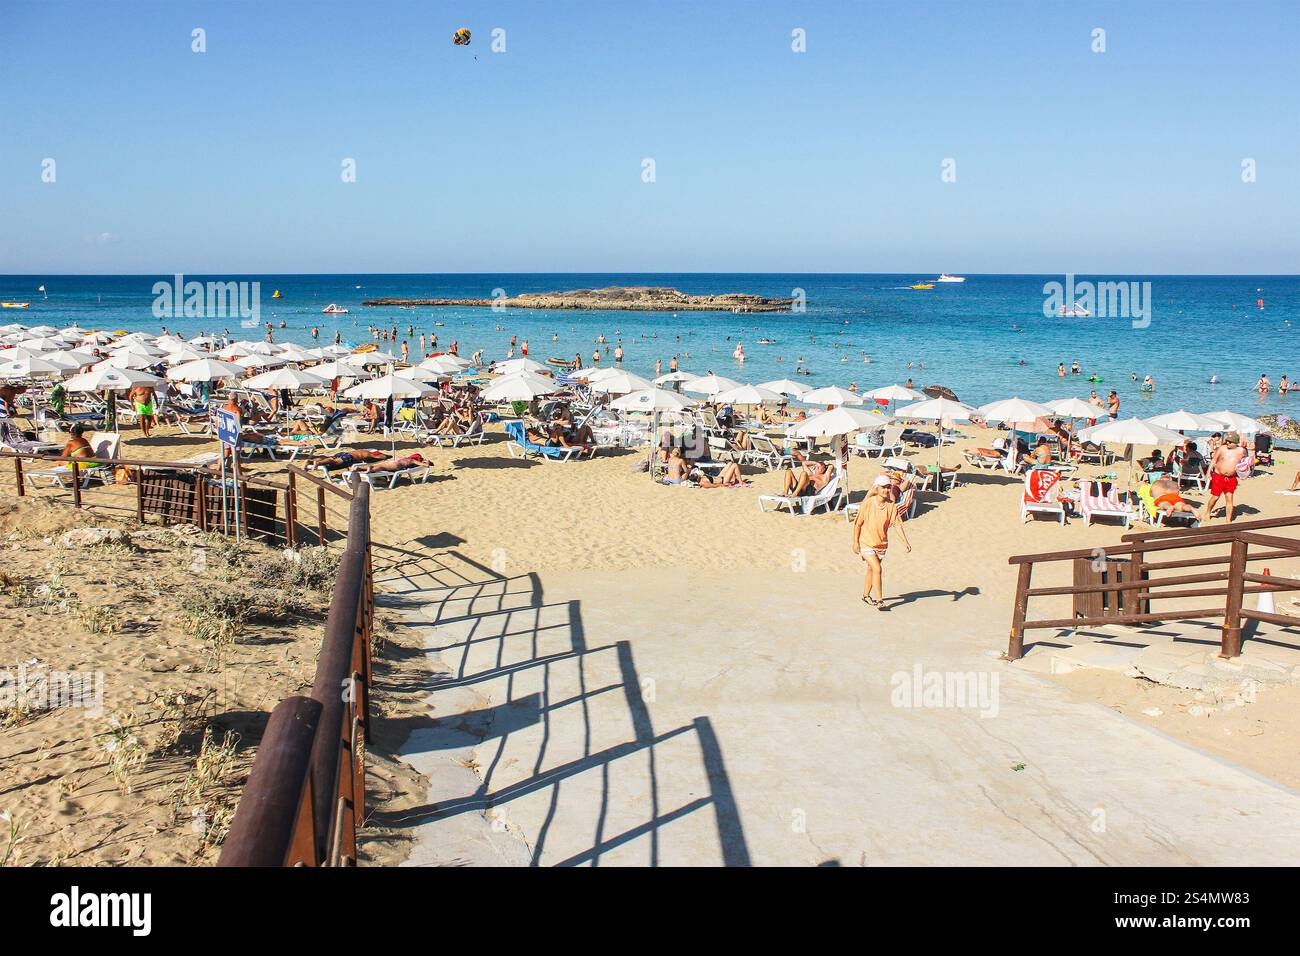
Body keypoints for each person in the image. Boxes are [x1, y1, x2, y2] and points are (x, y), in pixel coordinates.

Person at [853, 475, 912, 609]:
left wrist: (905, 542)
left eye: (888, 487)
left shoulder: (891, 506)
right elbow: (858, 523)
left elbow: (897, 525)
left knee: (871, 569)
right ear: (876, 488)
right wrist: (855, 542)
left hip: (881, 544)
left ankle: (866, 596)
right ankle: (880, 600)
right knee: (877, 568)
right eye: (883, 487)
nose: (886, 490)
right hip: (866, 542)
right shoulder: (868, 503)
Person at [1200, 431, 1246, 523]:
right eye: (1227, 441)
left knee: (1229, 498)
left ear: (1235, 443)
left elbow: (1246, 463)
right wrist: (1208, 473)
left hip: (1231, 478)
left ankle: (1228, 520)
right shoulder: (1222, 449)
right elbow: (1213, 460)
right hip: (1219, 476)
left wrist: (1244, 472)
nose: (1227, 443)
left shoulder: (1241, 451)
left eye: (1230, 442)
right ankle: (1208, 512)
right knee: (1215, 497)